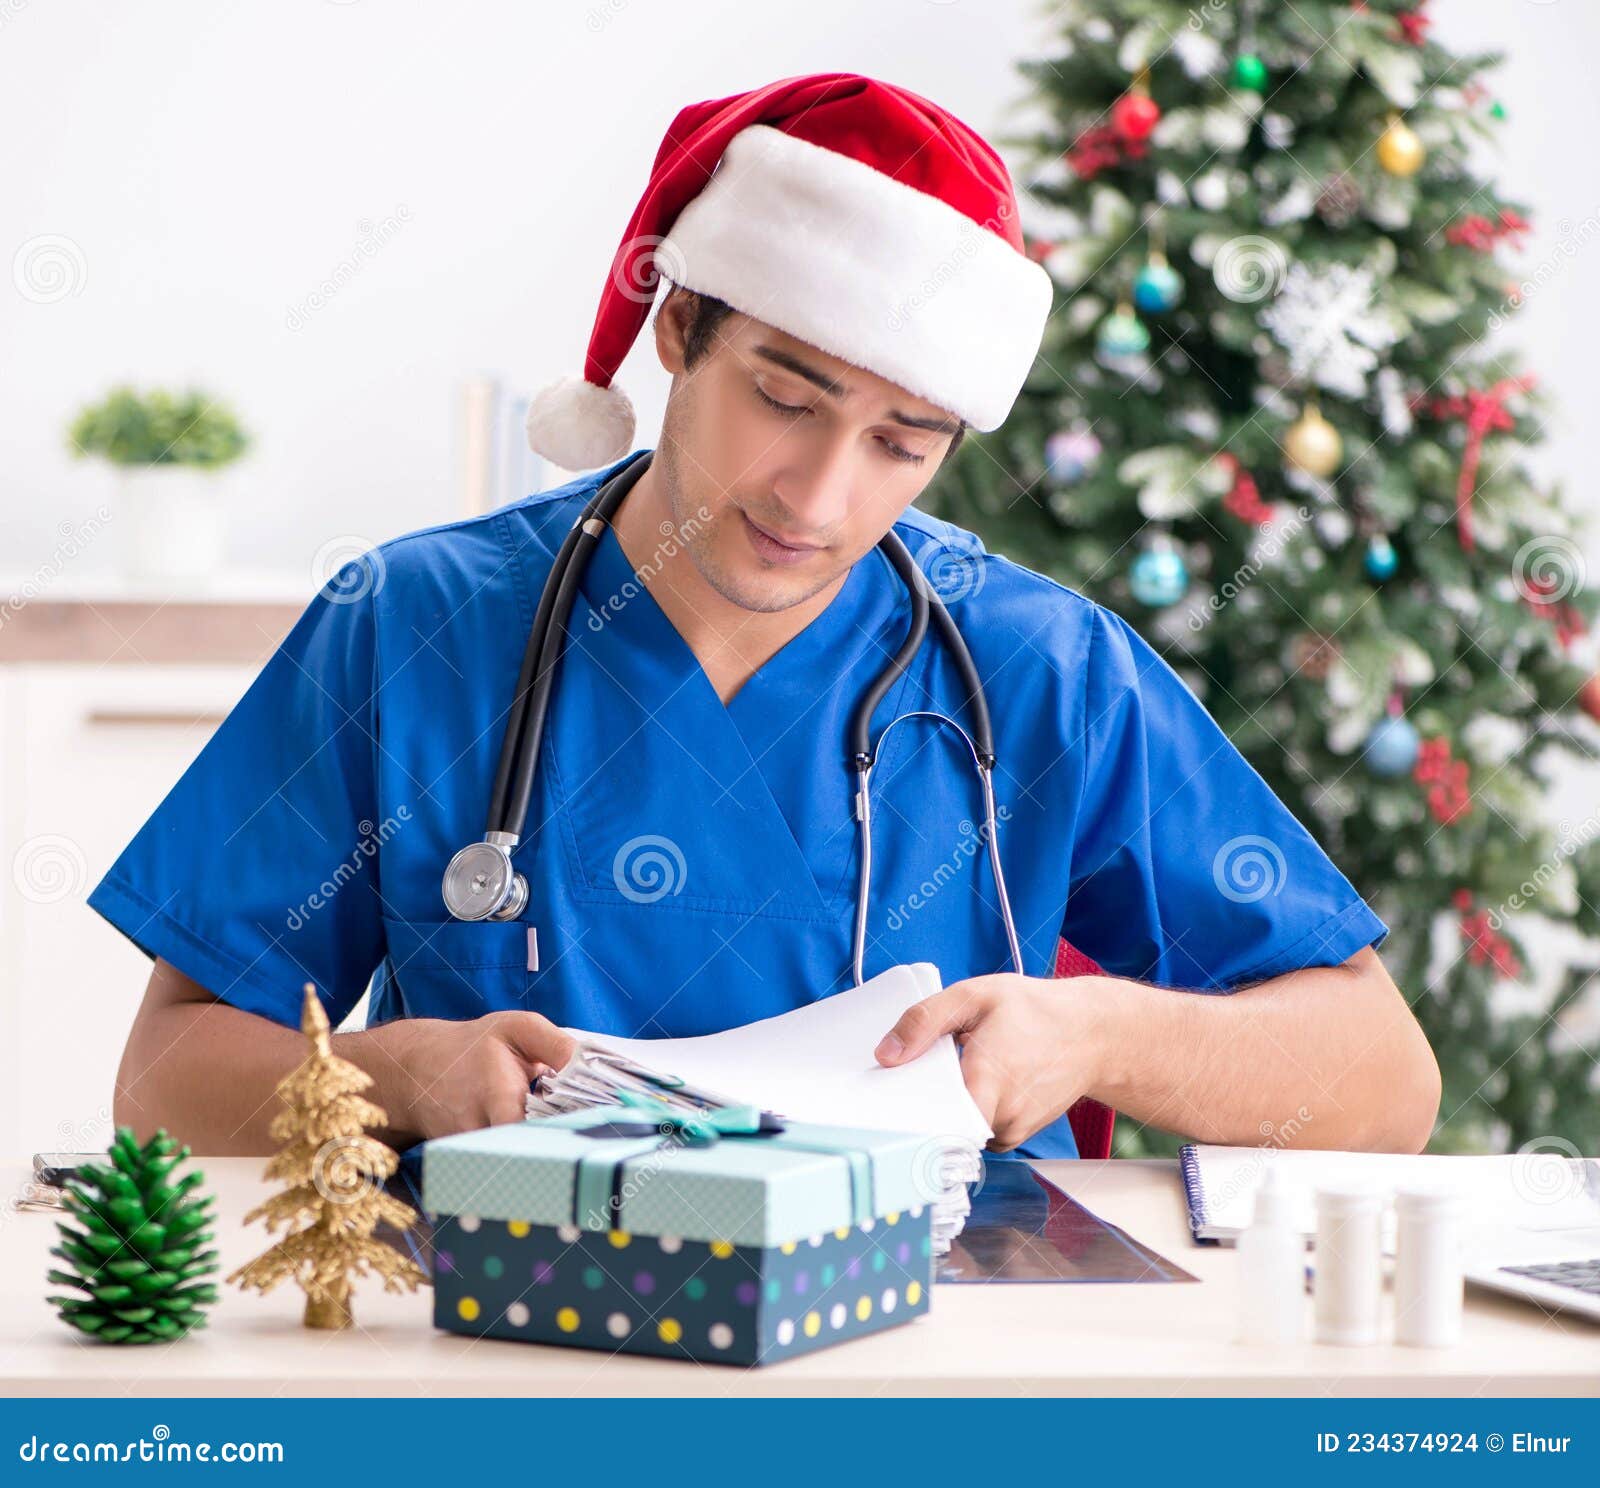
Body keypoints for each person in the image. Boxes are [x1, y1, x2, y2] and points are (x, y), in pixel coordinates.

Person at [93, 73, 1439, 1160]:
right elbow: (164, 1079)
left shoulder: (1039, 668)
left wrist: (1101, 1038)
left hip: (928, 1366)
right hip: (508, 1350)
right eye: (787, 401)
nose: (823, 495)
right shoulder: (412, 626)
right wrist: (387, 1076)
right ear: (679, 328)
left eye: (904, 443)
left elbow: (1382, 1084)